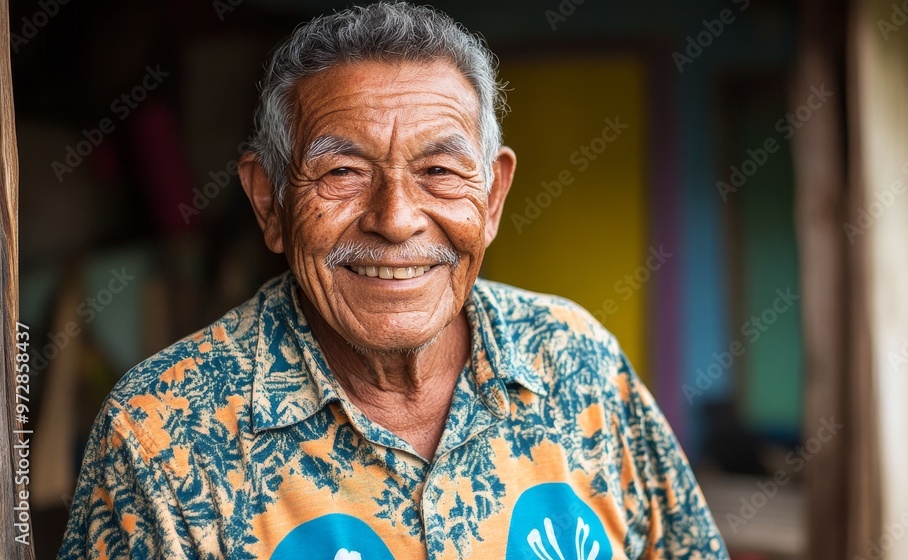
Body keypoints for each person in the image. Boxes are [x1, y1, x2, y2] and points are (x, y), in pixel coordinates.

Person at [58, 3, 728, 558]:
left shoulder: (577, 361)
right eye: (343, 172)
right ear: (269, 203)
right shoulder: (162, 436)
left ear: (493, 198)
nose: (397, 219)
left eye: (439, 171)